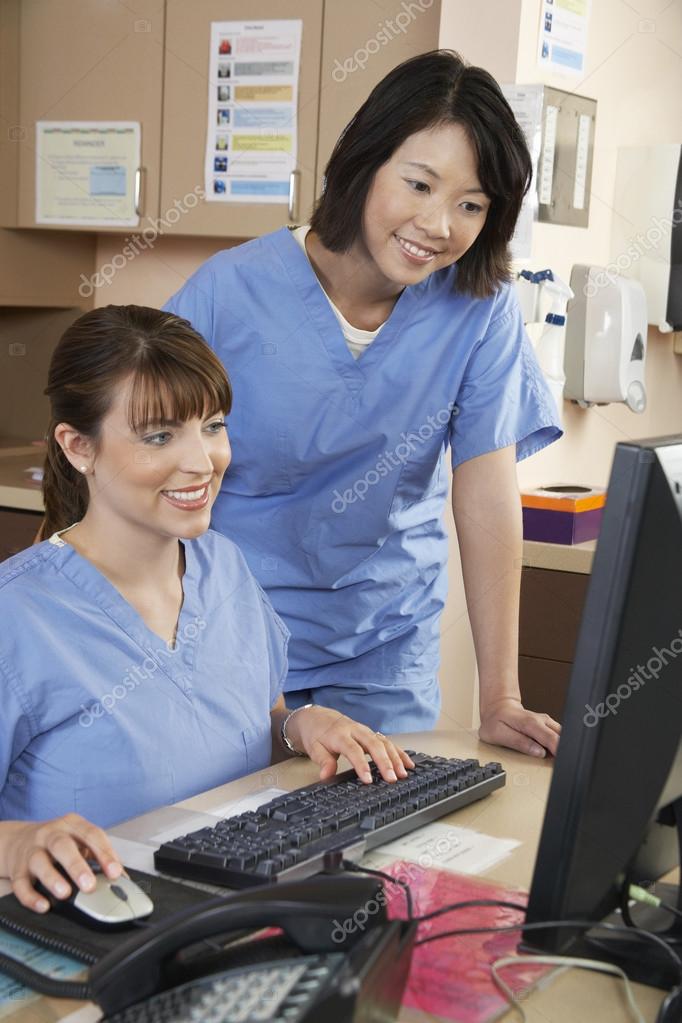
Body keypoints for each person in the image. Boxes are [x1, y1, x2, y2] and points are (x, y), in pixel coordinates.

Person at [164, 50, 563, 758]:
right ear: (363, 162)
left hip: (385, 657)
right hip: (234, 651)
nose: (439, 224)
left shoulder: (480, 309)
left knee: (389, 859)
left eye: (471, 204)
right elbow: (147, 477)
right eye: (419, 184)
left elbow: (487, 491)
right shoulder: (228, 294)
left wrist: (501, 695)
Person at [0, 305, 413, 913]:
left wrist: (300, 727)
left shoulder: (223, 568)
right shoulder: (19, 616)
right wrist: (17, 845)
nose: (202, 461)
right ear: (78, 446)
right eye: (159, 435)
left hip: (231, 915)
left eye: (213, 425)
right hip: (94, 944)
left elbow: (251, 726)